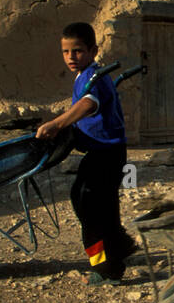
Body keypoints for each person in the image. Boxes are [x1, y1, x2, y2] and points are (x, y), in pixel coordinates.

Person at [36, 23, 138, 285]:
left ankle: (104, 266)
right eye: (66, 52)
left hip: (106, 153)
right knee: (99, 203)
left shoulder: (93, 76)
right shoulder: (86, 75)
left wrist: (57, 123)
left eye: (78, 51)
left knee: (88, 204)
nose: (71, 57)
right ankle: (120, 244)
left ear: (92, 50)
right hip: (105, 153)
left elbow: (89, 103)